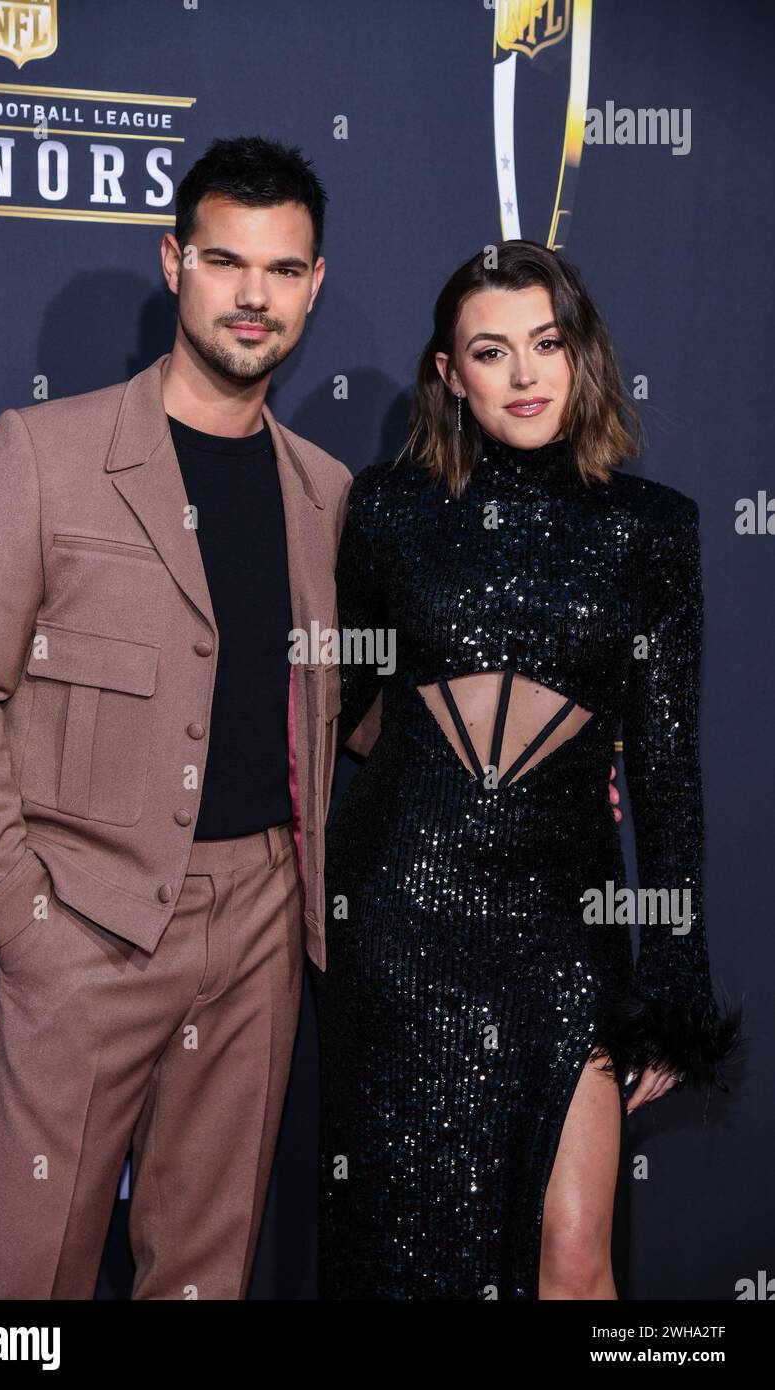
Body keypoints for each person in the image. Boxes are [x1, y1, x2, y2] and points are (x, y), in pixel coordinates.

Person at [0, 135, 351, 1299]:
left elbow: (341, 712)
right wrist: (16, 910)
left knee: (206, 1267)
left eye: (282, 269)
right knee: (22, 1280)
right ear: (174, 265)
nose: (252, 295)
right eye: (225, 260)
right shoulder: (46, 455)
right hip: (89, 917)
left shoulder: (326, 494)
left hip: (260, 926)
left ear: (313, 285)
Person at [313, 240, 742, 1300]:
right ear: (449, 375)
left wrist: (673, 964)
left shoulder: (653, 530)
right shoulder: (389, 509)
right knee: (414, 1259)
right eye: (489, 352)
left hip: (565, 926)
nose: (522, 376)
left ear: (580, 352)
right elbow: (346, 707)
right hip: (402, 920)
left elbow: (667, 766)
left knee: (572, 1251)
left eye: (544, 344)